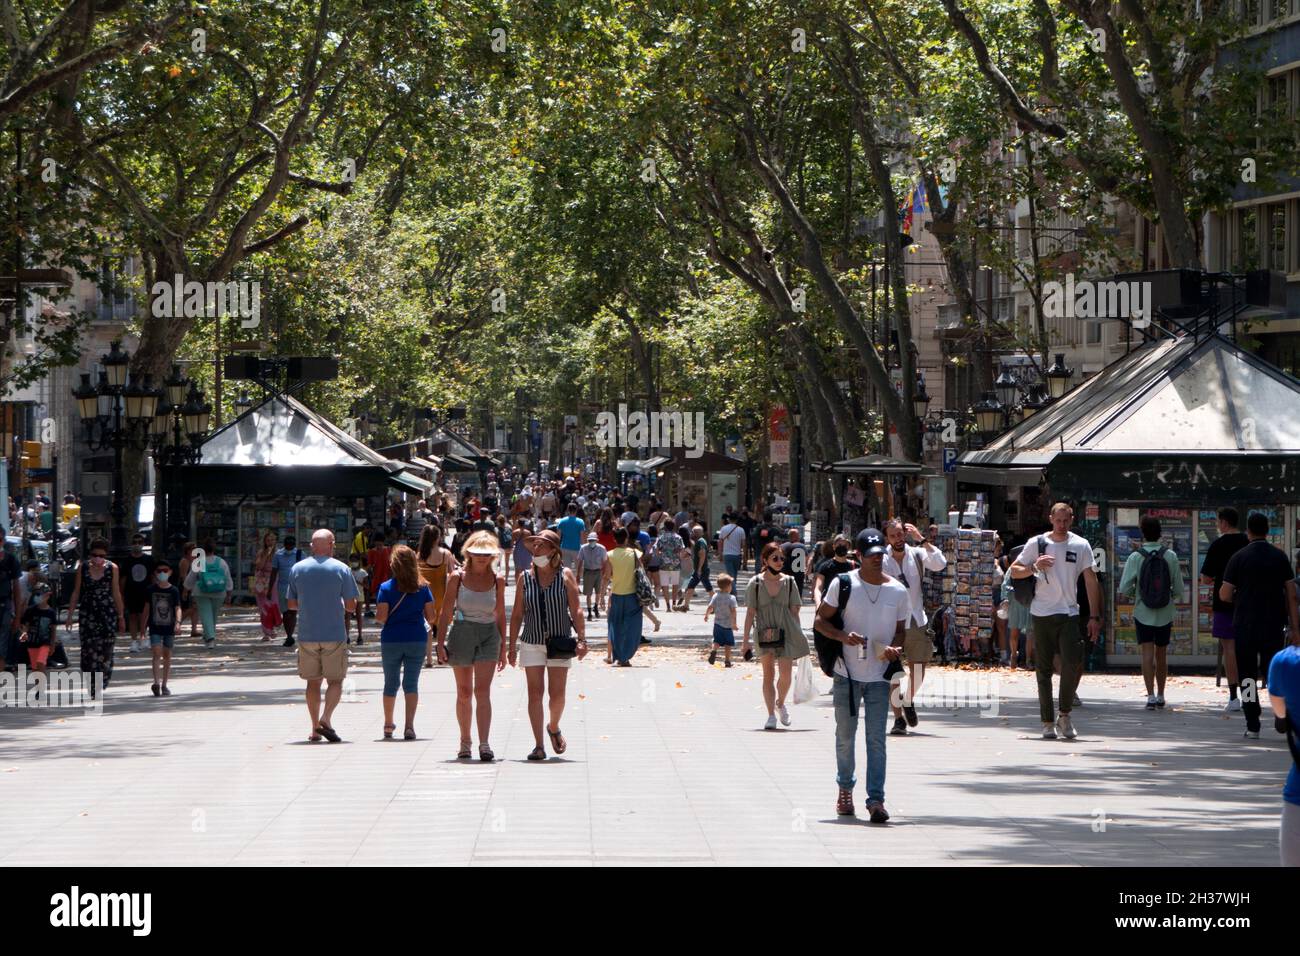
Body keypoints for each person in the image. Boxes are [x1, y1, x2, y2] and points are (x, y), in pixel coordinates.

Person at [813, 528, 908, 821]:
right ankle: (845, 790)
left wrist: (895, 648)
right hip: (848, 674)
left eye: (881, 554)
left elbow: (902, 632)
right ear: (859, 556)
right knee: (845, 735)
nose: (877, 560)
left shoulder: (898, 591)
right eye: (871, 556)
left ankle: (876, 800)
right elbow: (820, 621)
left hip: (880, 676)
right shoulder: (843, 585)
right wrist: (842, 636)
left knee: (877, 739)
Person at [1010, 503, 1101, 740]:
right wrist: (1033, 566)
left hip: (1069, 612)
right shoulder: (1037, 543)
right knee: (1043, 669)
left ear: (1071, 519)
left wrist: (1094, 616)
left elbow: (1091, 581)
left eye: (1066, 520)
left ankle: (1065, 714)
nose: (1061, 525)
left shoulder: (1081, 545)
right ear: (1051, 518)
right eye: (1057, 520)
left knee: (1072, 662)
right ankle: (1047, 721)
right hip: (1041, 613)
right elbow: (1014, 571)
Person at [509, 528, 588, 759]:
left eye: (541, 545)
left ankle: (553, 726)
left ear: (553, 550)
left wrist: (582, 639)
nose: (536, 549)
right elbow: (516, 614)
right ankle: (539, 745)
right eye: (534, 545)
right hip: (531, 640)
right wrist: (511, 646)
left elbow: (577, 609)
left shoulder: (565, 575)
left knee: (557, 695)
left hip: (559, 641)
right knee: (535, 693)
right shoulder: (525, 577)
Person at [1220, 511, 1299, 739]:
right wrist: (1295, 628)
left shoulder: (1238, 557)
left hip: (1244, 624)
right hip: (1273, 624)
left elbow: (1224, 594)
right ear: (1267, 531)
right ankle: (1281, 712)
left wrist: (1241, 597)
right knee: (1273, 671)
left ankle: (1252, 723)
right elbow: (1291, 595)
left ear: (1248, 532)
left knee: (1246, 673)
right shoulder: (1280, 557)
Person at [435, 531, 507, 758]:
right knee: (464, 692)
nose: (482, 558)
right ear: (469, 553)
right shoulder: (457, 577)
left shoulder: (498, 580)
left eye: (487, 554)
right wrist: (439, 643)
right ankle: (465, 740)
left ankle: (484, 743)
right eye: (477, 553)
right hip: (462, 632)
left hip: (488, 634)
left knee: (482, 691)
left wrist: (504, 646)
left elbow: (501, 614)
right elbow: (446, 611)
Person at [286, 529, 358, 743]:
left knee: (312, 683)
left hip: (307, 633)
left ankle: (314, 729)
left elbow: (291, 604)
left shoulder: (297, 569)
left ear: (311, 546)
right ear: (331, 544)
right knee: (336, 680)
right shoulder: (342, 569)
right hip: (334, 634)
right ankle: (326, 718)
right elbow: (351, 606)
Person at [881, 519, 948, 735]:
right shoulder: (881, 559)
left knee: (918, 670)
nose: (898, 539)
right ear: (887, 538)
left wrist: (923, 540)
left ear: (906, 533)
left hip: (916, 619)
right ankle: (898, 719)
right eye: (893, 536)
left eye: (900, 534)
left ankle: (908, 699)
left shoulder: (917, 554)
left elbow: (940, 563)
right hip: (890, 622)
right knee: (894, 673)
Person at [1117, 515, 1185, 710]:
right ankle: (1162, 694)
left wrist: (1137, 594)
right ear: (1160, 533)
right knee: (1161, 654)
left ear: (1143, 533)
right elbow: (1179, 589)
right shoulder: (1170, 556)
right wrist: (1169, 595)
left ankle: (1151, 696)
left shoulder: (1136, 556)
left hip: (1143, 611)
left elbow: (1124, 587)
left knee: (1147, 653)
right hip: (1165, 612)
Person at [741, 542, 811, 729]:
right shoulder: (755, 583)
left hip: (786, 631)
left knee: (786, 674)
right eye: (775, 558)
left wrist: (799, 634)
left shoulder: (789, 582)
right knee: (768, 674)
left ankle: (781, 703)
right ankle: (771, 714)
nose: (780, 562)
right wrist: (745, 640)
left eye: (781, 558)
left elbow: (795, 611)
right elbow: (750, 613)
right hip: (764, 632)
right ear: (765, 560)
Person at [376, 544, 437, 741]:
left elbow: (381, 617)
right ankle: (409, 726)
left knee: (390, 683)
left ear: (393, 564)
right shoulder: (423, 588)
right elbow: (432, 616)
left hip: (391, 639)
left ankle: (388, 723)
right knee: (411, 683)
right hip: (416, 638)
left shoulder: (385, 588)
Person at [1200, 507, 1249, 712]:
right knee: (1246, 650)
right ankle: (1249, 697)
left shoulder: (1218, 545)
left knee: (1228, 648)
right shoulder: (1248, 543)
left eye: (1218, 522)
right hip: (1248, 604)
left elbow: (1206, 578)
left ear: (1224, 523)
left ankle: (1233, 698)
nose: (1218, 526)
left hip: (1224, 604)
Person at [66, 538, 125, 696]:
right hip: (88, 614)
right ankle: (92, 684)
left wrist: (120, 616)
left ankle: (102, 679)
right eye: (94, 554)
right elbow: (76, 591)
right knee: (88, 650)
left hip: (107, 614)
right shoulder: (83, 568)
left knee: (106, 650)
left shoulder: (112, 568)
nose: (97, 558)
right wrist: (70, 614)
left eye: (101, 555)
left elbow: (116, 592)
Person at [1268, 637, 1300, 865]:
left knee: (1247, 675)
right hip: (1267, 628)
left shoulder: (1287, 661)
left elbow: (1280, 713)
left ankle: (1248, 712)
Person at [417, 522, 457, 668]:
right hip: (442, 595)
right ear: (437, 538)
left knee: (427, 627)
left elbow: (416, 577)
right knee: (442, 628)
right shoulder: (446, 554)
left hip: (425, 596)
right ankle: (441, 655)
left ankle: (428, 659)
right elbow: (453, 576)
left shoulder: (419, 555)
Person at [184, 537, 233, 647]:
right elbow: (228, 578)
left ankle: (210, 638)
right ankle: (209, 635)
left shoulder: (199, 562)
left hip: (202, 592)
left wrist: (186, 588)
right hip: (219, 592)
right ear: (214, 549)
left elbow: (190, 579)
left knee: (206, 614)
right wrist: (229, 593)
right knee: (213, 615)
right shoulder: (222, 562)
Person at [606, 527, 644, 666]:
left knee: (615, 626)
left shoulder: (609, 555)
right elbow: (642, 574)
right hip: (633, 596)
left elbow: (606, 576)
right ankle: (626, 655)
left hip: (616, 595)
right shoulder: (635, 553)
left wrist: (600, 597)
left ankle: (618, 656)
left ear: (614, 539)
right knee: (633, 626)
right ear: (627, 538)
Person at [145, 559, 181, 697]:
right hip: (154, 626)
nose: (162, 573)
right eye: (159, 571)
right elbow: (146, 609)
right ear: (155, 573)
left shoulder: (174, 590)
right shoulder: (150, 590)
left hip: (169, 627)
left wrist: (178, 622)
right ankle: (156, 683)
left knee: (167, 655)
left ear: (170, 572)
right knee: (156, 653)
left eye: (165, 570)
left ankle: (165, 684)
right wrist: (143, 628)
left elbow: (178, 608)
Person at [1000, 545, 1033, 668]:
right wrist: (1006, 598)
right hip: (1022, 600)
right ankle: (1018, 658)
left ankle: (1021, 659)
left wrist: (1005, 598)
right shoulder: (1026, 566)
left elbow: (1004, 585)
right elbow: (1005, 584)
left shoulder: (1028, 566)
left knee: (1023, 632)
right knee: (1022, 632)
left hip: (1023, 600)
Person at [269, 536, 304, 647]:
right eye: (287, 545)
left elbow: (305, 571)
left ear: (294, 545)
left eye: (291, 545)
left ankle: (290, 636)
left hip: (296, 587)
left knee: (292, 612)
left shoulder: (300, 554)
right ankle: (289, 635)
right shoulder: (278, 555)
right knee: (285, 613)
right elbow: (274, 573)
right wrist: (269, 590)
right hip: (282, 587)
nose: (289, 547)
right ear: (284, 544)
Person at [122, 533, 155, 653]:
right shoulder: (127, 560)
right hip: (131, 592)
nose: (137, 545)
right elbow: (123, 579)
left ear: (143, 544)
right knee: (132, 616)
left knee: (144, 616)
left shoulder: (148, 559)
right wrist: (121, 594)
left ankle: (143, 636)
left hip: (145, 592)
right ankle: (134, 641)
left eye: (139, 542)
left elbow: (152, 576)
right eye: (134, 542)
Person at [18, 582, 57, 678]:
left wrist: (53, 643)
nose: (37, 597)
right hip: (32, 642)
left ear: (48, 595)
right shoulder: (30, 610)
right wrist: (24, 633)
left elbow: (53, 629)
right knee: (35, 668)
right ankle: (39, 689)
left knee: (41, 662)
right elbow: (25, 625)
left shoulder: (51, 612)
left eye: (39, 594)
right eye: (36, 594)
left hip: (45, 642)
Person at [812, 536, 856, 607]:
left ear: (848, 547)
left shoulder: (854, 566)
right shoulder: (825, 567)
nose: (842, 547)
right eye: (839, 545)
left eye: (845, 545)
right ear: (834, 546)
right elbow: (818, 588)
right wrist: (818, 604)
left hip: (849, 608)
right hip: (828, 607)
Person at [677, 524, 713, 611]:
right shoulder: (699, 541)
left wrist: (700, 569)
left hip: (701, 570)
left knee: (709, 588)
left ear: (696, 533)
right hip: (698, 570)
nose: (691, 533)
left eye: (692, 532)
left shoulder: (701, 542)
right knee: (690, 587)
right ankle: (685, 606)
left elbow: (702, 555)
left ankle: (715, 606)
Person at [704, 573, 738, 666]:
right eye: (730, 585)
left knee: (716, 641)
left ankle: (714, 650)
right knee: (728, 644)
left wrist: (706, 615)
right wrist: (734, 623)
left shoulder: (715, 596)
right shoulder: (732, 598)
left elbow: (710, 606)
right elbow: (734, 611)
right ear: (728, 587)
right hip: (727, 625)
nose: (731, 587)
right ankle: (727, 661)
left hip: (717, 624)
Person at [252, 530, 279, 641]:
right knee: (263, 607)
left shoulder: (279, 553)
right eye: (268, 540)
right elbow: (259, 566)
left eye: (272, 540)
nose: (270, 542)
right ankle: (266, 632)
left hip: (274, 582)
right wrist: (266, 555)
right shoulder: (261, 552)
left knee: (273, 605)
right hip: (262, 583)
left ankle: (272, 628)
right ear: (265, 542)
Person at [576, 532, 610, 620]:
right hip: (588, 571)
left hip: (598, 571)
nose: (592, 542)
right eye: (590, 540)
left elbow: (605, 561)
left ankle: (595, 606)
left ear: (596, 540)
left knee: (598, 592)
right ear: (588, 540)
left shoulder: (602, 548)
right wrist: (578, 575)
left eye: (593, 540)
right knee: (588, 594)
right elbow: (579, 561)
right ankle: (589, 611)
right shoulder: (583, 548)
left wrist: (605, 573)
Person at [0, 543, 22, 673]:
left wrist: (17, 617)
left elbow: (17, 590)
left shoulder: (10, 560)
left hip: (4, 608)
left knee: (1, 648)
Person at [177, 541, 199, 641]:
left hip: (193, 587)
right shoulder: (185, 561)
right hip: (185, 587)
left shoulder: (194, 561)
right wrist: (186, 590)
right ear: (188, 551)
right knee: (188, 609)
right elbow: (183, 576)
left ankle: (194, 629)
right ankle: (177, 623)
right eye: (193, 549)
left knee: (195, 608)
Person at [555, 503, 586, 571]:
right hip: (577, 548)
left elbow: (558, 536)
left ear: (567, 510)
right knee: (579, 569)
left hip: (564, 548)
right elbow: (582, 537)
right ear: (576, 510)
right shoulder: (580, 522)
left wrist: (557, 547)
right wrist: (584, 548)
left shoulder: (562, 521)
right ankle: (577, 581)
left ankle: (567, 582)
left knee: (566, 570)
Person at [781, 528, 809, 598]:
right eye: (798, 535)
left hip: (786, 573)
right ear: (796, 536)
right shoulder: (802, 546)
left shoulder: (783, 546)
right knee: (797, 594)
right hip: (799, 574)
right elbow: (806, 559)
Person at [717, 514, 746, 581]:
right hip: (737, 555)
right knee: (734, 574)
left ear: (729, 519)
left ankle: (733, 590)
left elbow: (720, 542)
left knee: (730, 575)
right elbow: (744, 544)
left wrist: (720, 554)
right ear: (737, 520)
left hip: (727, 554)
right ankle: (733, 588)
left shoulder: (723, 528)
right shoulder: (741, 530)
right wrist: (744, 557)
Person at [349, 558, 369, 643]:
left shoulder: (363, 572)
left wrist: (356, 581)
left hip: (359, 595)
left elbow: (367, 586)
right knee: (347, 616)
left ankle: (360, 636)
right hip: (349, 595)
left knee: (358, 615)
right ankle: (346, 636)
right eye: (352, 561)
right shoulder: (347, 570)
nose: (354, 563)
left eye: (355, 561)